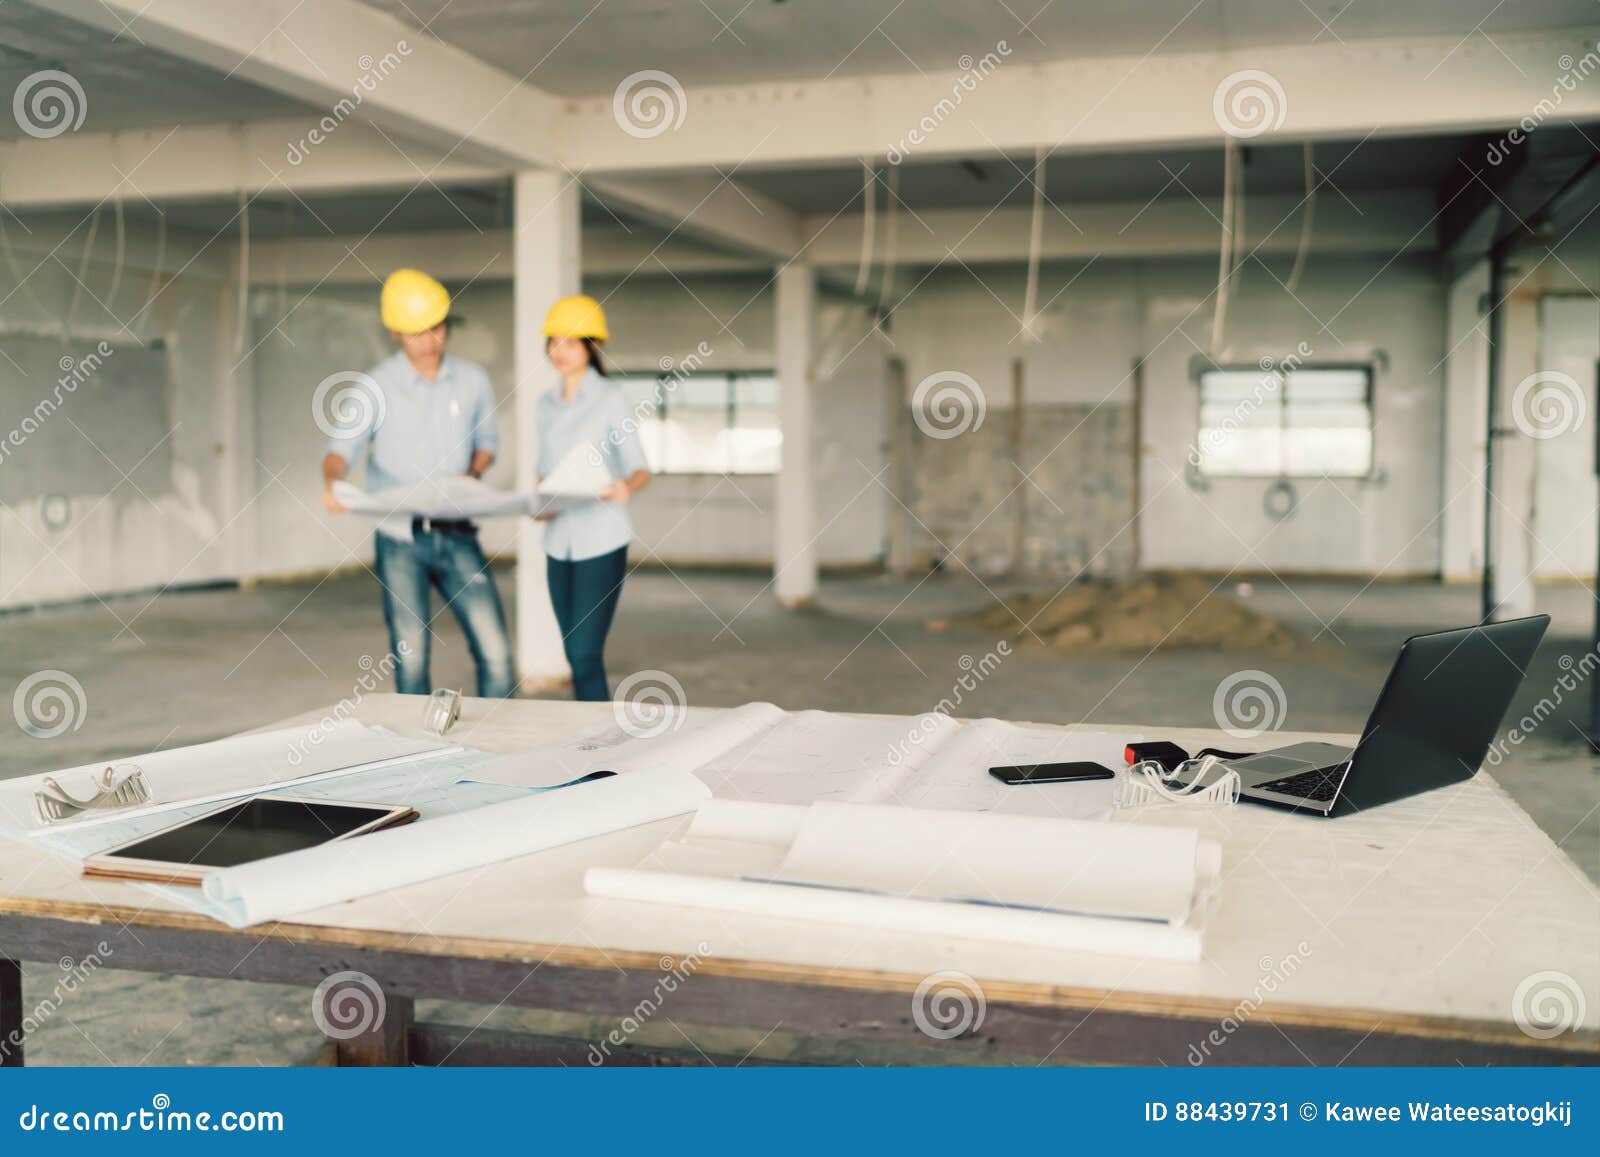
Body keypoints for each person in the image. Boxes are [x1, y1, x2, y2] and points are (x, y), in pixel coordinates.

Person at [321, 268, 516, 699]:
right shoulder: (374, 386)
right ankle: (416, 741)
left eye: (437, 328)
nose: (430, 341)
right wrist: (334, 483)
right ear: (395, 332)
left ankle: (500, 737)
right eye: (417, 333)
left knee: (497, 653)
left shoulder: (473, 381)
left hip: (458, 533)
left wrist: (472, 475)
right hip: (400, 541)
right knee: (410, 659)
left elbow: (487, 444)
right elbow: (340, 451)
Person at [536, 294, 651, 701]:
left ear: (593, 346)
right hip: (557, 541)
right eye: (554, 342)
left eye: (570, 342)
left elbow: (640, 468)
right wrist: (539, 501)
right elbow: (544, 473)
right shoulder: (544, 405)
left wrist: (624, 487)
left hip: (601, 540)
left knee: (585, 654)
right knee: (574, 653)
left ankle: (602, 738)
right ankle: (591, 730)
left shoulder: (610, 399)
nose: (559, 351)